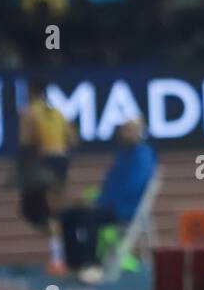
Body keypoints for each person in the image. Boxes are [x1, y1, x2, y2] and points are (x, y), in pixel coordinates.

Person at [57, 115, 157, 281]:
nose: (125, 134)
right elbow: (110, 186)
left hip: (124, 209)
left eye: (129, 130)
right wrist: (94, 202)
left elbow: (132, 187)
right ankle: (74, 264)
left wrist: (100, 204)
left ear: (139, 131)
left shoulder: (143, 155)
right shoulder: (123, 154)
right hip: (108, 205)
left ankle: (92, 265)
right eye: (124, 130)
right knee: (69, 215)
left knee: (90, 217)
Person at [16, 79, 78, 274]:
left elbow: (25, 142)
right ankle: (68, 254)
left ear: (31, 93)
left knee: (38, 211)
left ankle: (58, 259)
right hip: (61, 160)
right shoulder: (58, 112)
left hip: (43, 162)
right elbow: (74, 139)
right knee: (58, 210)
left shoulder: (29, 112)